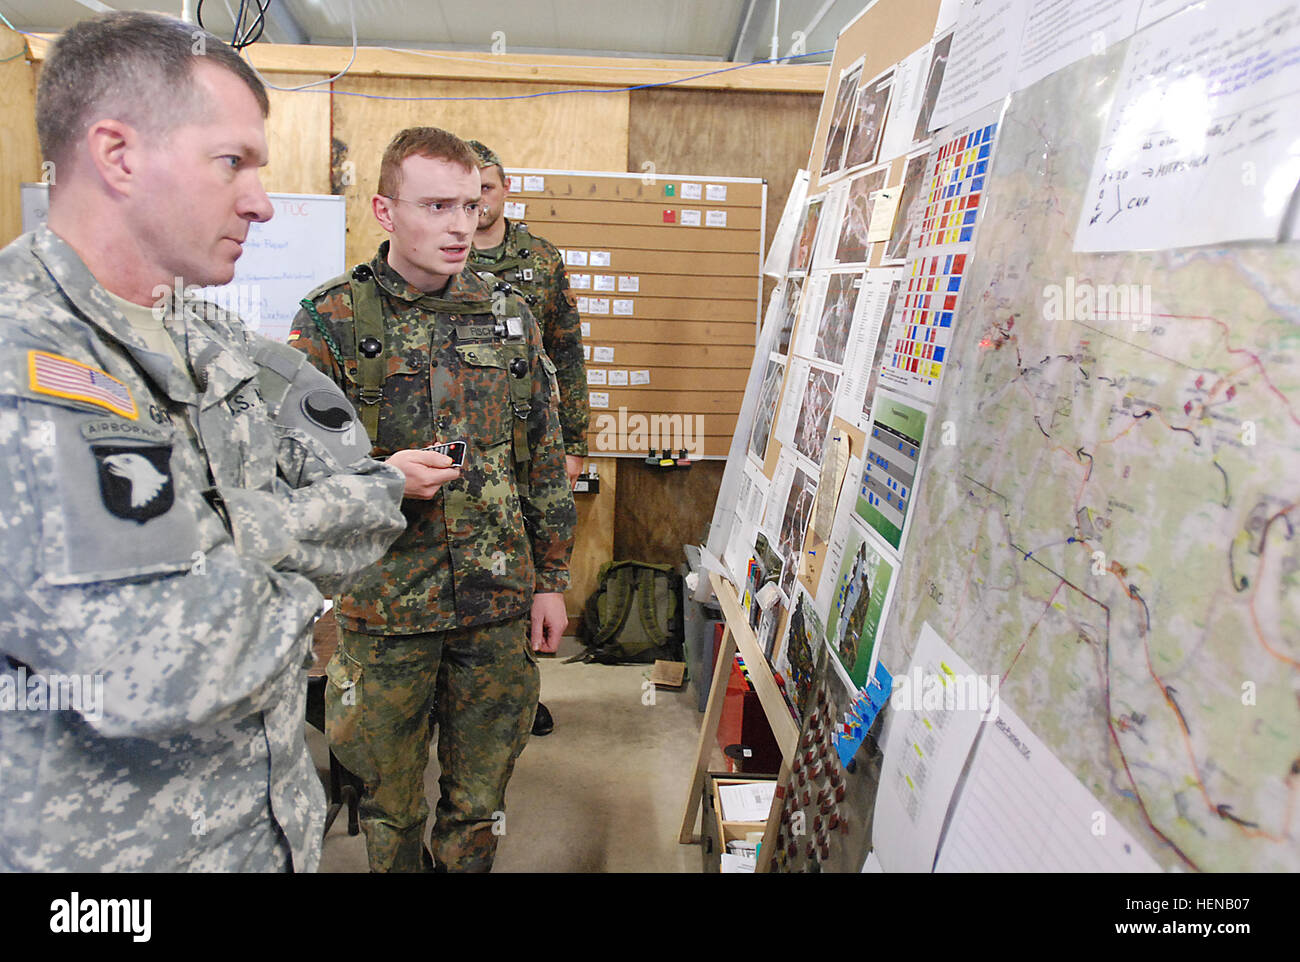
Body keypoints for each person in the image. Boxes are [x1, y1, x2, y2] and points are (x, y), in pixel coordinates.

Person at [0, 11, 407, 872]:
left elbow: (364, 494)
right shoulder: (26, 358)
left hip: (261, 837)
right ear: (117, 156)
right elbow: (167, 663)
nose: (260, 200)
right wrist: (294, 570)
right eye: (233, 163)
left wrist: (233, 543)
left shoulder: (206, 339)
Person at [288, 127, 576, 872]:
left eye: (472, 204)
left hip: (496, 605)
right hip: (386, 611)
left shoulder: (510, 315)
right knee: (387, 803)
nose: (461, 225)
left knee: (479, 803)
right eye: (437, 205)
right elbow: (289, 475)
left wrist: (551, 581)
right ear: (385, 210)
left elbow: (542, 457)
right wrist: (383, 478)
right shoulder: (332, 322)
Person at [468, 139, 589, 737]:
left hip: (532, 443)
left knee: (530, 562)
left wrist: (575, 442)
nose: (475, 202)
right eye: (465, 191)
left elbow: (567, 351)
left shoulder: (540, 259)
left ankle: (521, 690)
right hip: (466, 442)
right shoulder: (442, 252)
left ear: (504, 189)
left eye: (485, 188)